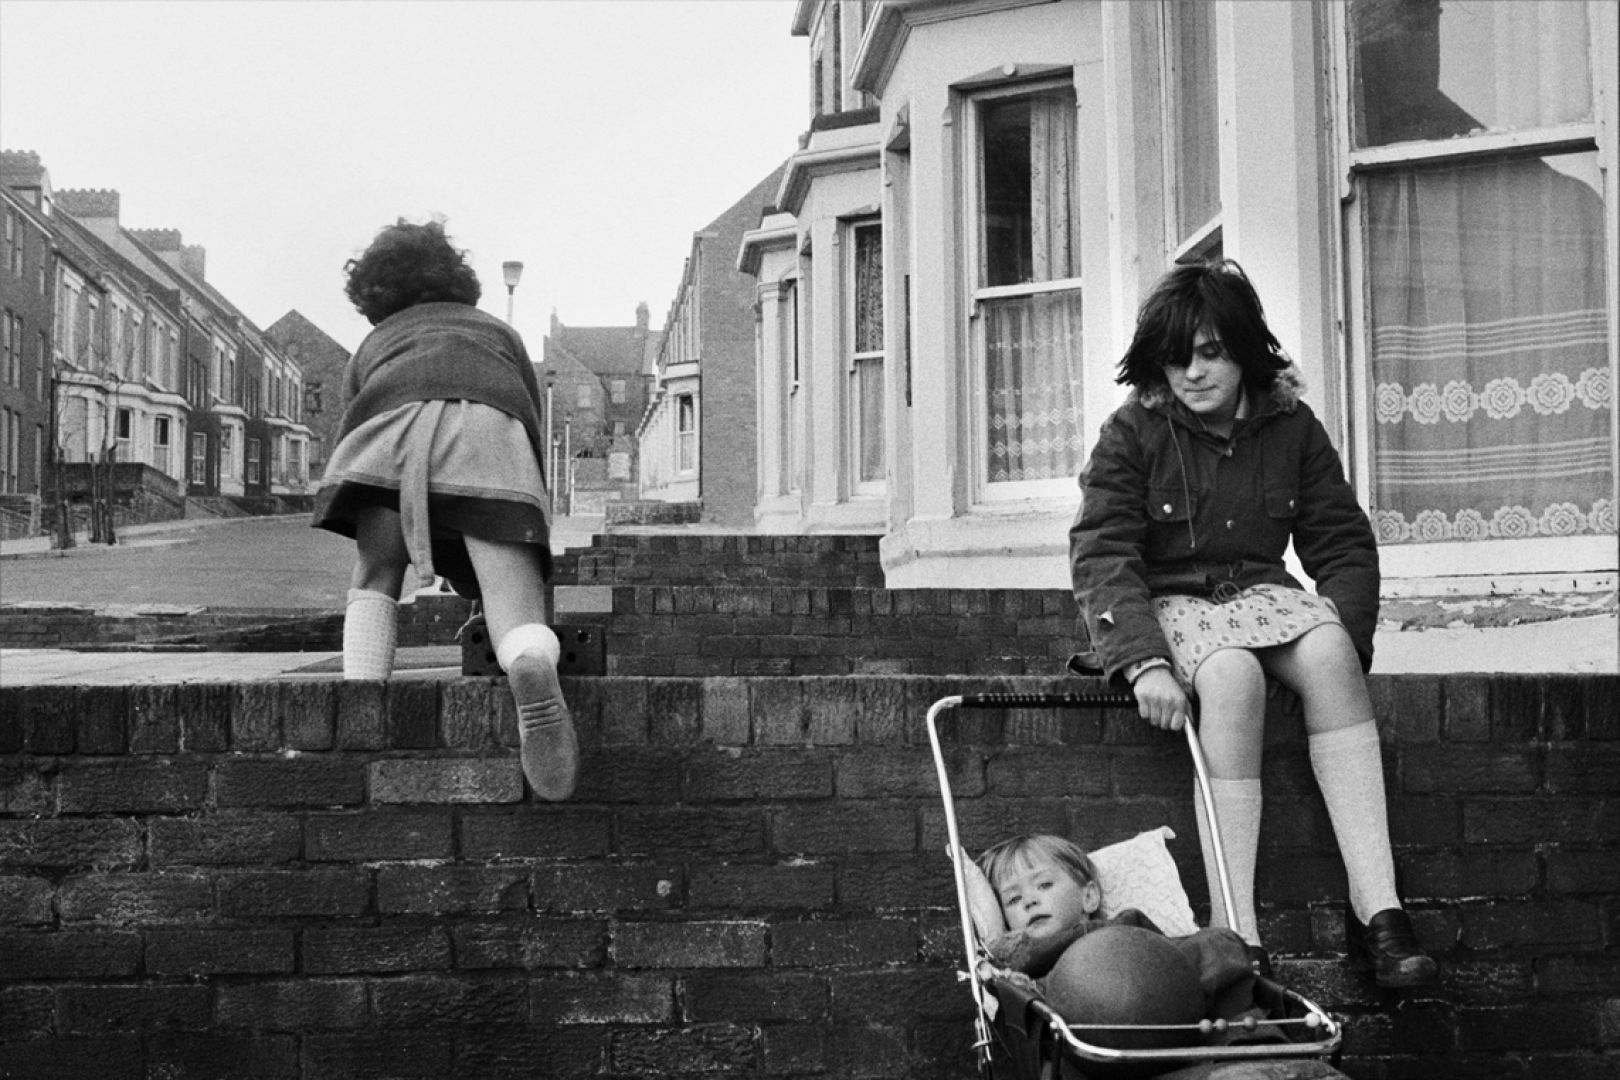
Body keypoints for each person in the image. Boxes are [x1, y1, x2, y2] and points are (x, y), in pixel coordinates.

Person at [1067, 259, 1438, 988]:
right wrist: (1142, 661)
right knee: (1233, 677)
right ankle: (1238, 933)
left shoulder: (1290, 424)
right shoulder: (1133, 430)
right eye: (1176, 359)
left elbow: (1339, 540)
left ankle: (1380, 916)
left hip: (1262, 594)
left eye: (1211, 353)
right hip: (1176, 605)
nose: (1193, 374)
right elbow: (1103, 551)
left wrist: (1348, 640)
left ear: (1243, 348)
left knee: (1331, 649)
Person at [312, 218, 576, 801]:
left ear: (375, 297)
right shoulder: (497, 332)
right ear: (456, 278)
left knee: (375, 578)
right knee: (516, 607)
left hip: (386, 434)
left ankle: (362, 703)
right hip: (487, 432)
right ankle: (528, 659)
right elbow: (526, 418)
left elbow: (352, 409)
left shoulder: (377, 342)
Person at [972, 834, 1256, 1032]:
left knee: (1218, 944)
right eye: (1012, 900)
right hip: (1086, 1020)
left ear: (1089, 898)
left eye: (1044, 885)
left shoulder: (1124, 923)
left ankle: (1248, 1042)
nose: (1029, 901)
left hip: (1158, 991)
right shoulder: (1021, 962)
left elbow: (1165, 956)